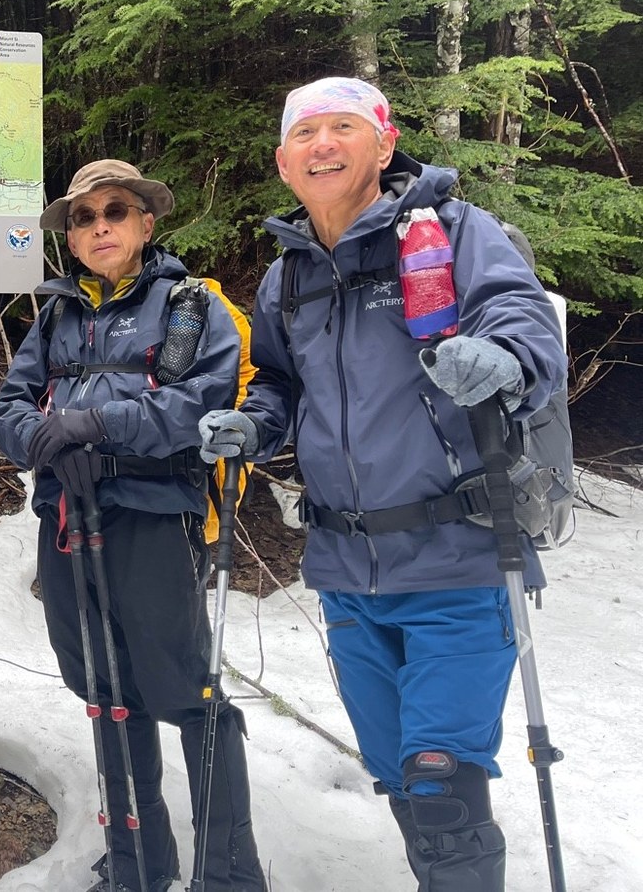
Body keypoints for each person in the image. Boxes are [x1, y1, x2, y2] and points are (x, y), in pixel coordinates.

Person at [198, 77, 568, 891]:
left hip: (457, 557)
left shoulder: (456, 232)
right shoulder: (287, 277)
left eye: (343, 127)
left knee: (441, 786)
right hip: (345, 570)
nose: (323, 144)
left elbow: (522, 318)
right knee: (402, 778)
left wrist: (504, 360)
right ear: (284, 163)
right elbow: (281, 388)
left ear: (384, 143)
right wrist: (253, 424)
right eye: (306, 134)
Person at [0, 159, 267, 892]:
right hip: (66, 519)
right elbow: (8, 411)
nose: (99, 226)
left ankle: (229, 874)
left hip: (151, 517)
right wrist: (44, 439)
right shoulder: (54, 316)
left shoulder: (190, 306)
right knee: (104, 687)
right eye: (83, 217)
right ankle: (139, 862)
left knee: (182, 687)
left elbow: (197, 405)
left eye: (115, 211)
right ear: (70, 238)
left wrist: (90, 424)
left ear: (147, 222)